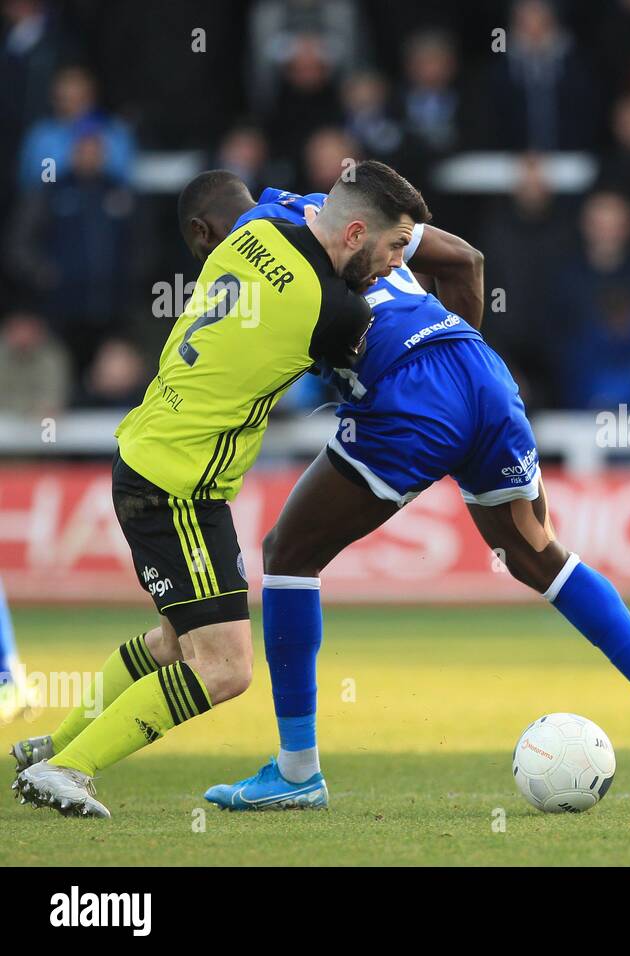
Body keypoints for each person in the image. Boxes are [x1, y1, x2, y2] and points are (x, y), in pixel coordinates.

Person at [10, 161, 409, 817]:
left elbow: (297, 209)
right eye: (394, 248)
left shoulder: (255, 228)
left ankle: (60, 741)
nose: (396, 265)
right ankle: (68, 768)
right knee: (225, 668)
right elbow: (384, 367)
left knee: (174, 641)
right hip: (181, 485)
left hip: (149, 452)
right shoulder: (336, 309)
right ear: (358, 230)